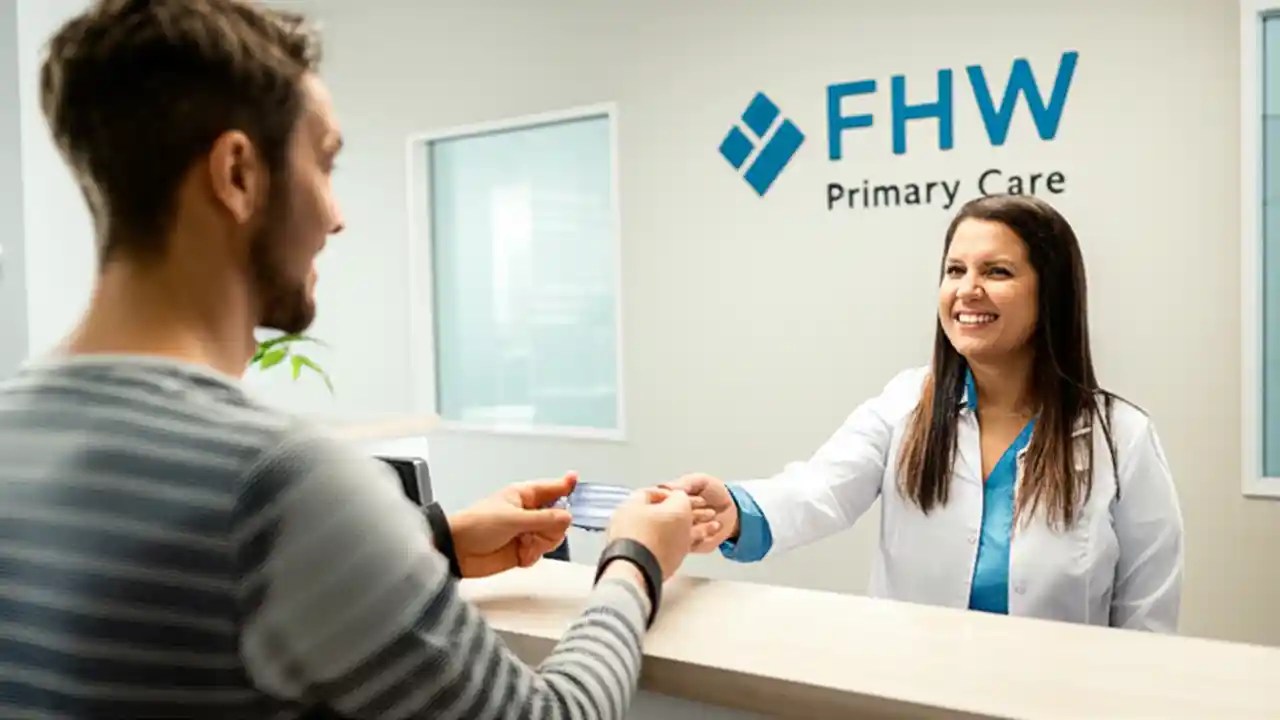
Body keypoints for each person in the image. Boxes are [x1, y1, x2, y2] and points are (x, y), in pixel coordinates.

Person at [0, 1, 717, 718]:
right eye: (325, 161)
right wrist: (634, 563)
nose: (336, 215)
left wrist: (432, 544)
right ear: (238, 175)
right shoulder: (273, 484)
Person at [669, 194, 1185, 632]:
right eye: (955, 270)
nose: (967, 290)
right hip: (914, 688)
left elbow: (1147, 610)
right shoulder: (904, 403)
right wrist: (734, 510)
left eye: (997, 271)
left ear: (1051, 293)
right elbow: (819, 488)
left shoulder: (1120, 438)